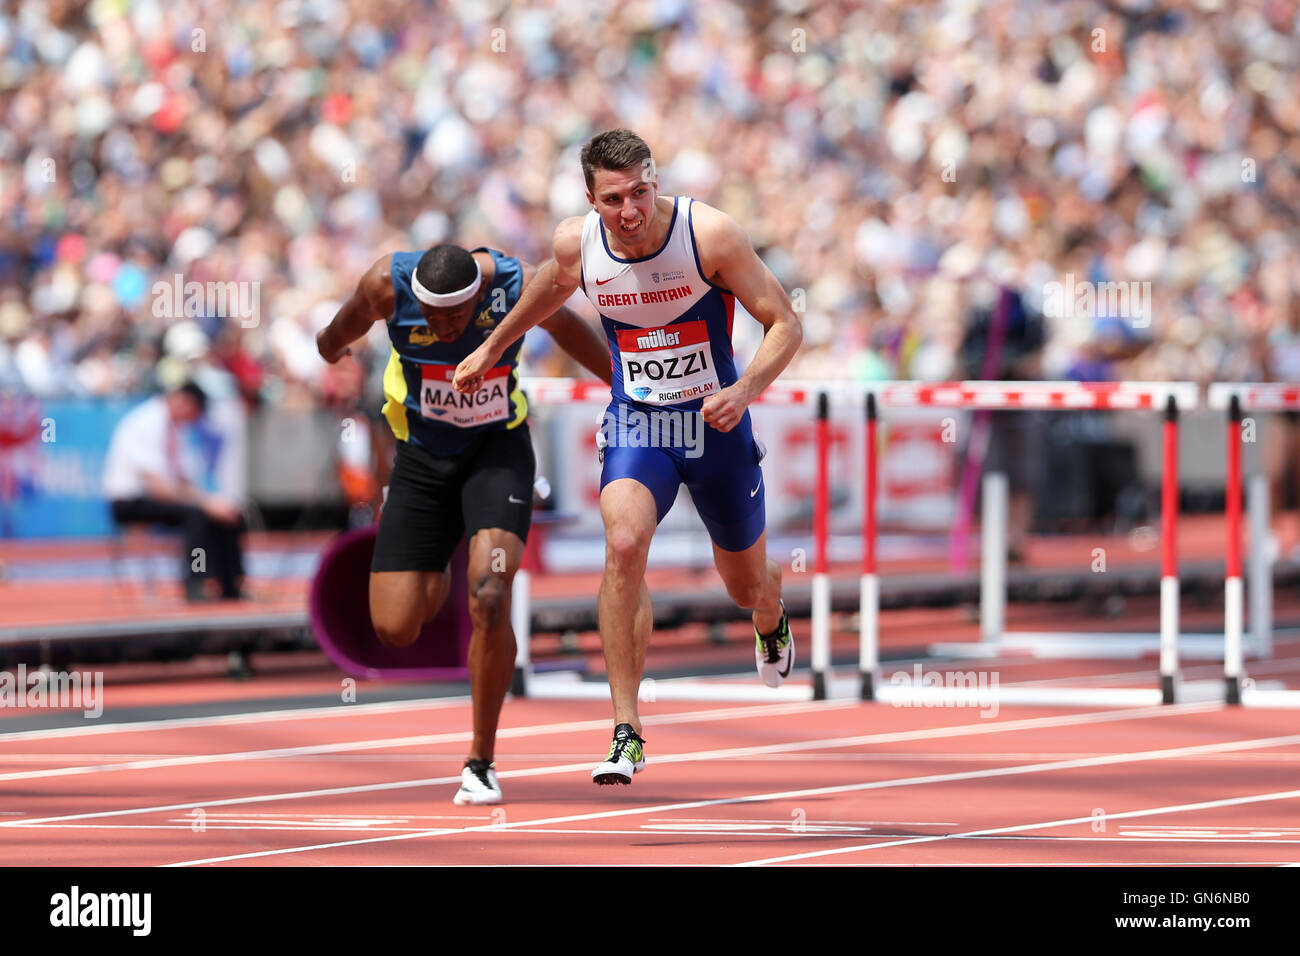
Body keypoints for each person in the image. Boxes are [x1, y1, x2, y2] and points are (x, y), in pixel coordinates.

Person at [453, 129, 803, 787]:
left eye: (642, 191)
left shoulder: (709, 236)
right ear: (591, 200)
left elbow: (786, 322)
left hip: (714, 426)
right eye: (615, 199)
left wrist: (743, 389)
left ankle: (770, 614)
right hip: (639, 423)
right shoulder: (576, 244)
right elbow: (546, 290)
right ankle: (626, 729)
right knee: (624, 540)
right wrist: (493, 347)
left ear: (655, 181)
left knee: (744, 585)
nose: (632, 211)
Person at [316, 243, 611, 805]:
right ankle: (451, 551)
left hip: (497, 454)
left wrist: (623, 382)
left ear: (477, 296)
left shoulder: (515, 282)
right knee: (396, 627)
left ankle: (481, 759)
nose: (446, 327)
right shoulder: (386, 284)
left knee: (492, 593)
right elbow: (343, 325)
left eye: (457, 316)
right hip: (422, 460)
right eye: (433, 316)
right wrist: (330, 349)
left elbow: (568, 328)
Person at [103, 380, 246, 601]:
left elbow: (184, 481)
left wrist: (214, 502)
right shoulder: (145, 423)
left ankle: (231, 585)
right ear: (183, 402)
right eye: (194, 413)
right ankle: (196, 582)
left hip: (158, 499)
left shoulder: (176, 430)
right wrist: (205, 504)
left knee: (227, 514)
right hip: (129, 501)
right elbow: (159, 488)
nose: (193, 421)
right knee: (197, 516)